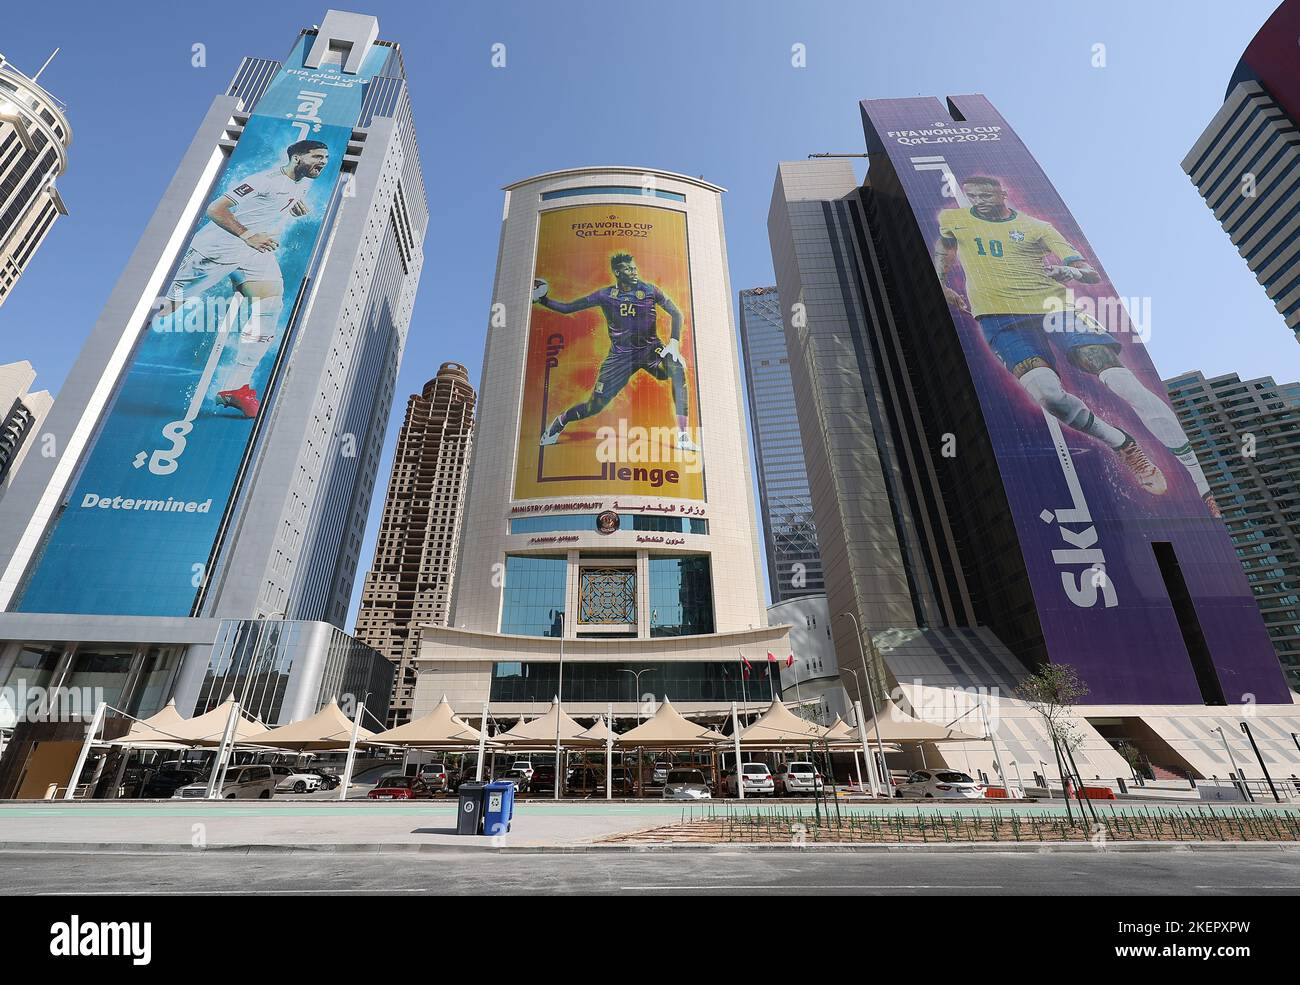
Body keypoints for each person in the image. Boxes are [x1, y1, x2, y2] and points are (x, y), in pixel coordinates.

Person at [935, 176, 1219, 516]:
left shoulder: (1036, 227)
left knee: (1122, 381)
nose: (980, 198)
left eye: (986, 192)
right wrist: (943, 282)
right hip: (1000, 318)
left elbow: (1088, 272)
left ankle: (1204, 482)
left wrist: (1067, 271)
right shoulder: (954, 220)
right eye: (973, 194)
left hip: (1057, 311)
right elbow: (945, 248)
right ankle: (1122, 443)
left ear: (1002, 193)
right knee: (1048, 395)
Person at [156, 138, 330, 419]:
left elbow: (283, 200)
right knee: (166, 306)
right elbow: (216, 209)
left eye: (325, 158)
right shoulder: (263, 180)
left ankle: (236, 387)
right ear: (297, 158)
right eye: (317, 157)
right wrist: (249, 235)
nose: (323, 162)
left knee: (270, 306)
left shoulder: (303, 183)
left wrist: (298, 205)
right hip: (214, 251)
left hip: (253, 255)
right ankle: (124, 337)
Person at [532, 252, 698, 452]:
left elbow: (676, 313)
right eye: (628, 269)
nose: (634, 271)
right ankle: (560, 422)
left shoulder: (650, 290)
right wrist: (543, 301)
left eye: (634, 267)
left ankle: (683, 436)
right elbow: (569, 308)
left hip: (650, 350)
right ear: (617, 272)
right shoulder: (604, 295)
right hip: (620, 358)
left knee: (677, 368)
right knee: (594, 406)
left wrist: (673, 342)